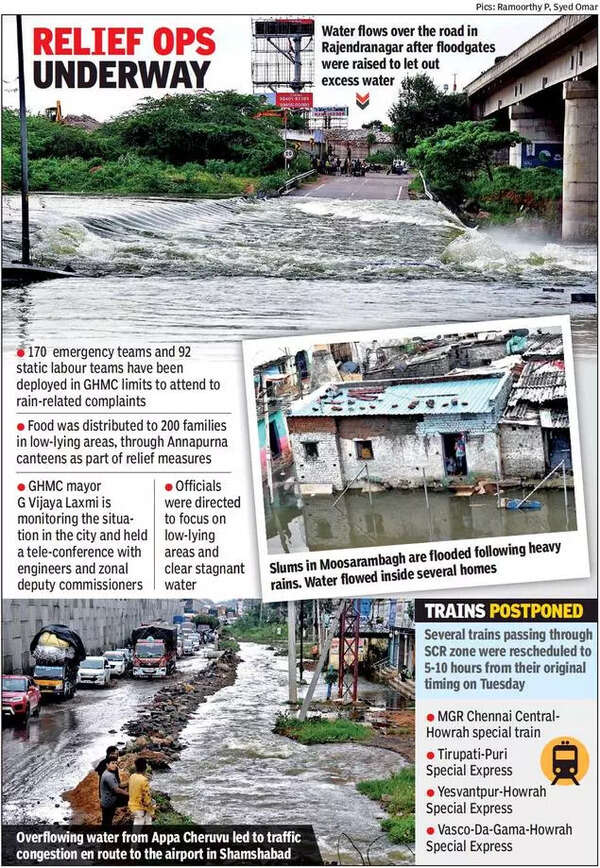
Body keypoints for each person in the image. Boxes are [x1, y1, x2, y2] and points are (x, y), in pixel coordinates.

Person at [100, 757, 128, 827]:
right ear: (107, 764)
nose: (115, 765)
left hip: (107, 800)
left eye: (116, 763)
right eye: (112, 763)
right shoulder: (108, 775)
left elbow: (118, 785)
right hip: (109, 803)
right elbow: (117, 790)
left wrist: (128, 783)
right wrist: (129, 794)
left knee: (106, 821)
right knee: (107, 822)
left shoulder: (110, 772)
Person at [128, 757, 155, 826]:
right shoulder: (144, 780)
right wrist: (151, 811)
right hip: (140, 808)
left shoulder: (132, 776)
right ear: (145, 767)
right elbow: (146, 798)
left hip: (132, 805)